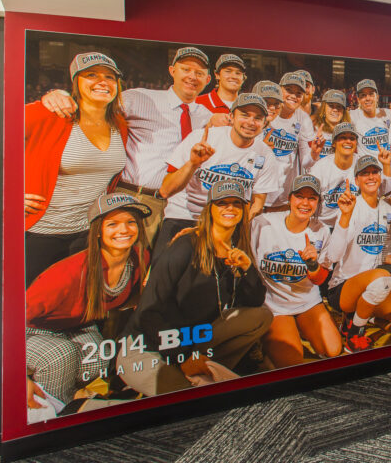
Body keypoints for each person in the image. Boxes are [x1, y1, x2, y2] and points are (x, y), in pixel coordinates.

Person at [41, 46, 228, 245]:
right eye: (186, 69)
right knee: (123, 266)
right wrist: (57, 94)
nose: (192, 76)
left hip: (178, 206)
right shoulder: (138, 98)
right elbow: (92, 108)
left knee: (160, 269)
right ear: (172, 71)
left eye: (199, 73)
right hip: (134, 197)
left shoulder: (205, 116)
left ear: (208, 80)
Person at [117, 181, 272, 396]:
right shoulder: (185, 246)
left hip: (192, 340)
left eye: (237, 203)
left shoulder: (236, 251)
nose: (230, 208)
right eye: (222, 203)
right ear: (210, 209)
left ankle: (201, 371)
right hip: (148, 346)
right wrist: (183, 356)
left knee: (262, 316)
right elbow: (148, 312)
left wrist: (248, 270)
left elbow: (255, 303)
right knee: (193, 399)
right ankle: (91, 405)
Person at [26, 193, 151, 414]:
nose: (124, 230)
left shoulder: (139, 257)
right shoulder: (68, 274)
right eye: (112, 224)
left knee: (98, 358)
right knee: (60, 356)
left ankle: (66, 398)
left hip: (72, 326)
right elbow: (9, 321)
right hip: (26, 329)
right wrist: (15, 376)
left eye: (131, 222)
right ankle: (50, 416)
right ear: (97, 232)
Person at [26, 52, 131, 286]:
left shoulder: (119, 124)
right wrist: (7, 195)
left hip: (87, 233)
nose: (102, 81)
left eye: (110, 77)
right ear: (75, 82)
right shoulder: (49, 114)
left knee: (74, 303)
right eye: (91, 75)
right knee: (31, 306)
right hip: (40, 232)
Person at [157, 93, 281, 255]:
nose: (251, 122)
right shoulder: (203, 139)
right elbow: (165, 190)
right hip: (186, 217)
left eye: (257, 118)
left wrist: (230, 227)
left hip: (227, 224)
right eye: (244, 115)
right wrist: (193, 163)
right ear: (231, 116)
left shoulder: (265, 154)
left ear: (264, 123)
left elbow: (257, 204)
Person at [326, 156, 391, 352]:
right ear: (356, 180)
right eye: (364, 173)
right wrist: (345, 217)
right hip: (344, 288)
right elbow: (332, 256)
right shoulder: (350, 205)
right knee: (382, 279)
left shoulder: (385, 208)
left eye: (374, 172)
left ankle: (359, 317)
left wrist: (389, 259)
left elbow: (381, 250)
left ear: (380, 176)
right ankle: (354, 333)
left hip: (372, 286)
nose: (370, 177)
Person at [252, 175, 340, 365]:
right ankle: (269, 339)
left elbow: (320, 279)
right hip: (274, 307)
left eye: (311, 198)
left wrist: (312, 265)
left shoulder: (321, 231)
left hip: (307, 301)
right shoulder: (263, 224)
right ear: (290, 198)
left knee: (332, 351)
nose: (305, 203)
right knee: (291, 363)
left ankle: (301, 326)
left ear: (317, 203)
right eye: (299, 196)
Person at [310, 122, 391, 227]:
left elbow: (384, 194)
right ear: (334, 143)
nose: (348, 141)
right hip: (325, 226)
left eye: (352, 138)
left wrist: (386, 165)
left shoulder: (362, 163)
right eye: (343, 137)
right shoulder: (320, 168)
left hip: (354, 225)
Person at [262, 73, 315, 211]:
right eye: (289, 90)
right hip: (256, 191)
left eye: (298, 93)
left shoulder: (303, 118)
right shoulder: (265, 109)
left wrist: (314, 154)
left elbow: (306, 162)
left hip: (282, 195)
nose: (293, 96)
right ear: (279, 89)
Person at [349, 79, 391, 159]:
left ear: (377, 97)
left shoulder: (387, 114)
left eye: (371, 94)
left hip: (386, 167)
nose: (367, 98)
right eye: (363, 95)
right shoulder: (353, 115)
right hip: (366, 169)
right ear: (358, 100)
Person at [310, 89, 353, 162]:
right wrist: (314, 154)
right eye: (331, 106)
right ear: (323, 108)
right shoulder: (312, 129)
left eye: (339, 106)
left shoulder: (350, 134)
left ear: (343, 111)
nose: (335, 110)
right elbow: (304, 164)